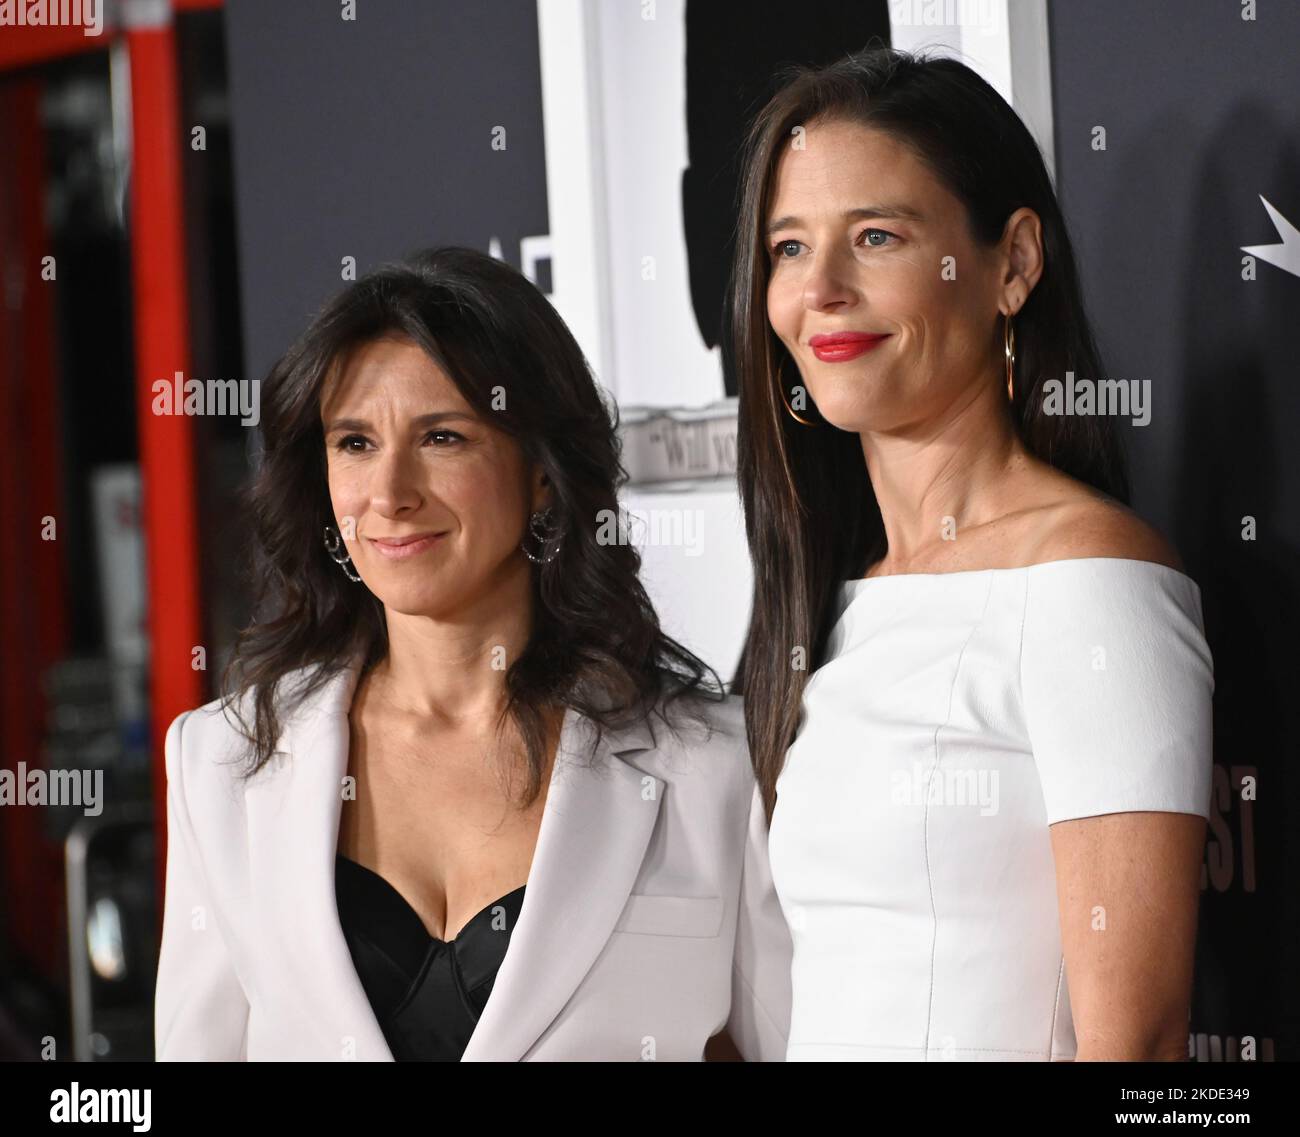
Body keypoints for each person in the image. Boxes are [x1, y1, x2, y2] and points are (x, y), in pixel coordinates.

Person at [154, 247, 792, 1061]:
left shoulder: (719, 768)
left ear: (543, 478)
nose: (389, 493)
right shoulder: (221, 763)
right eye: (354, 443)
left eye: (443, 437)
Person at [731, 48, 1213, 1061]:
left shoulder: (1090, 583)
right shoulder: (835, 599)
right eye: (786, 247)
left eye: (875, 236)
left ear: (1012, 264)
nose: (818, 289)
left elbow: (1145, 1056)